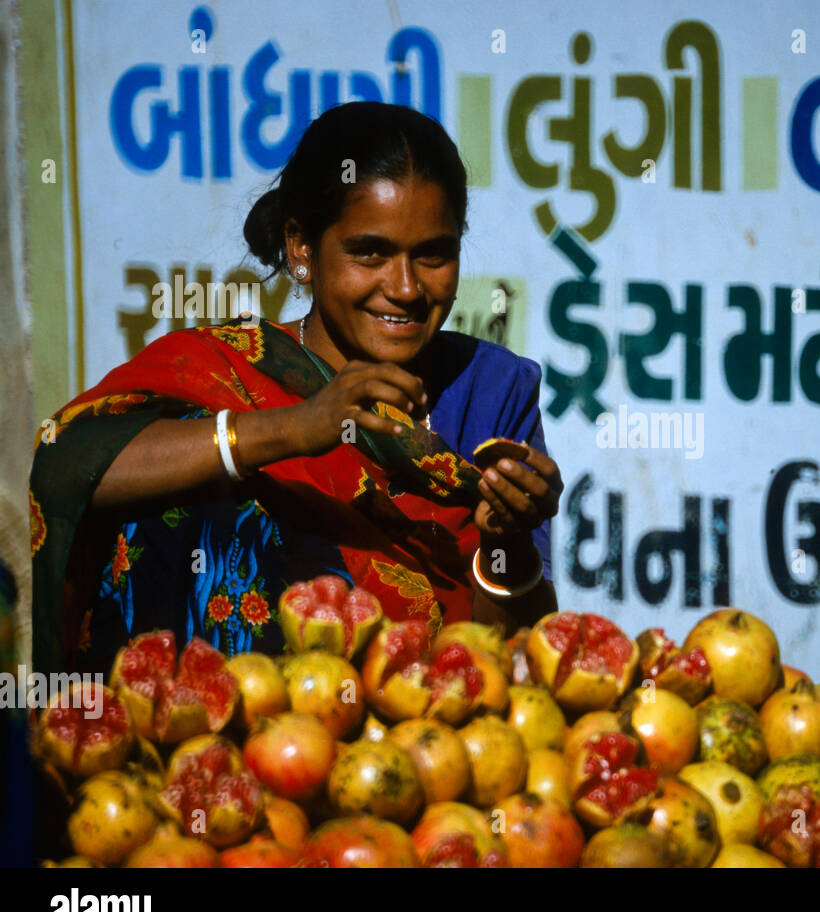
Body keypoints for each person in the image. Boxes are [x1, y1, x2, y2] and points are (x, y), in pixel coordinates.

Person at [29, 102, 562, 675]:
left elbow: (505, 659)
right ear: (302, 249)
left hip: (415, 742)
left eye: (433, 254)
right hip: (223, 733)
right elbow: (64, 463)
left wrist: (511, 546)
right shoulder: (224, 371)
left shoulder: (489, 389)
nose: (406, 288)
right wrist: (294, 428)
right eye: (370, 253)